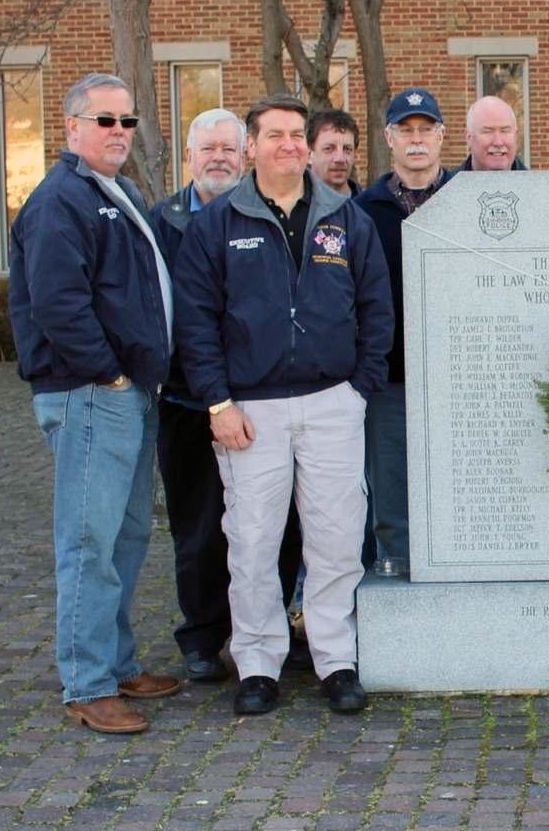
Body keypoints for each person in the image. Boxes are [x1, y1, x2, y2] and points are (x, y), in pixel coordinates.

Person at [173, 94, 394, 716]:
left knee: (336, 538)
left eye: (298, 135)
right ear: (252, 146)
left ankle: (336, 659)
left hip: (332, 404)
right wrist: (217, 402)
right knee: (251, 541)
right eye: (276, 135)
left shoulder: (345, 218)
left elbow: (376, 308)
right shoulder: (218, 225)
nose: (290, 146)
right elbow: (195, 321)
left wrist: (360, 388)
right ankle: (259, 662)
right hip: (251, 411)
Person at [7, 73, 181, 733]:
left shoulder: (119, 191)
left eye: (126, 121)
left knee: (128, 534)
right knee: (88, 538)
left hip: (131, 391)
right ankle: (86, 680)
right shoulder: (60, 200)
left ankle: (116, 659)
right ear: (72, 126)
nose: (117, 132)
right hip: (90, 393)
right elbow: (58, 302)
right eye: (103, 120)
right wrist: (106, 373)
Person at [150, 108, 308, 683]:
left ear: (244, 154)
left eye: (227, 148)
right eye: (206, 148)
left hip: (259, 402)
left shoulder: (260, 212)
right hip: (190, 402)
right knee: (198, 525)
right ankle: (202, 634)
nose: (217, 157)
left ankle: (270, 630)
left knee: (276, 524)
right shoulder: (161, 222)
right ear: (188, 156)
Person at [353, 88, 458, 575]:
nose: (416, 141)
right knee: (390, 490)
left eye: (425, 130)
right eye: (405, 131)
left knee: (457, 486)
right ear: (389, 138)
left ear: (441, 136)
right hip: (389, 379)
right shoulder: (361, 212)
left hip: (458, 374)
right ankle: (395, 575)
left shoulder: (466, 202)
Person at [459, 95, 526, 171]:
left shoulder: (537, 183)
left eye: (504, 131)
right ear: (469, 137)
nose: (498, 142)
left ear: (516, 136)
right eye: (488, 132)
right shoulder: (451, 183)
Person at [307, 108, 361, 196]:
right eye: (329, 149)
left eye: (347, 149)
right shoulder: (290, 207)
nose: (340, 159)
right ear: (309, 155)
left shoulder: (369, 207)